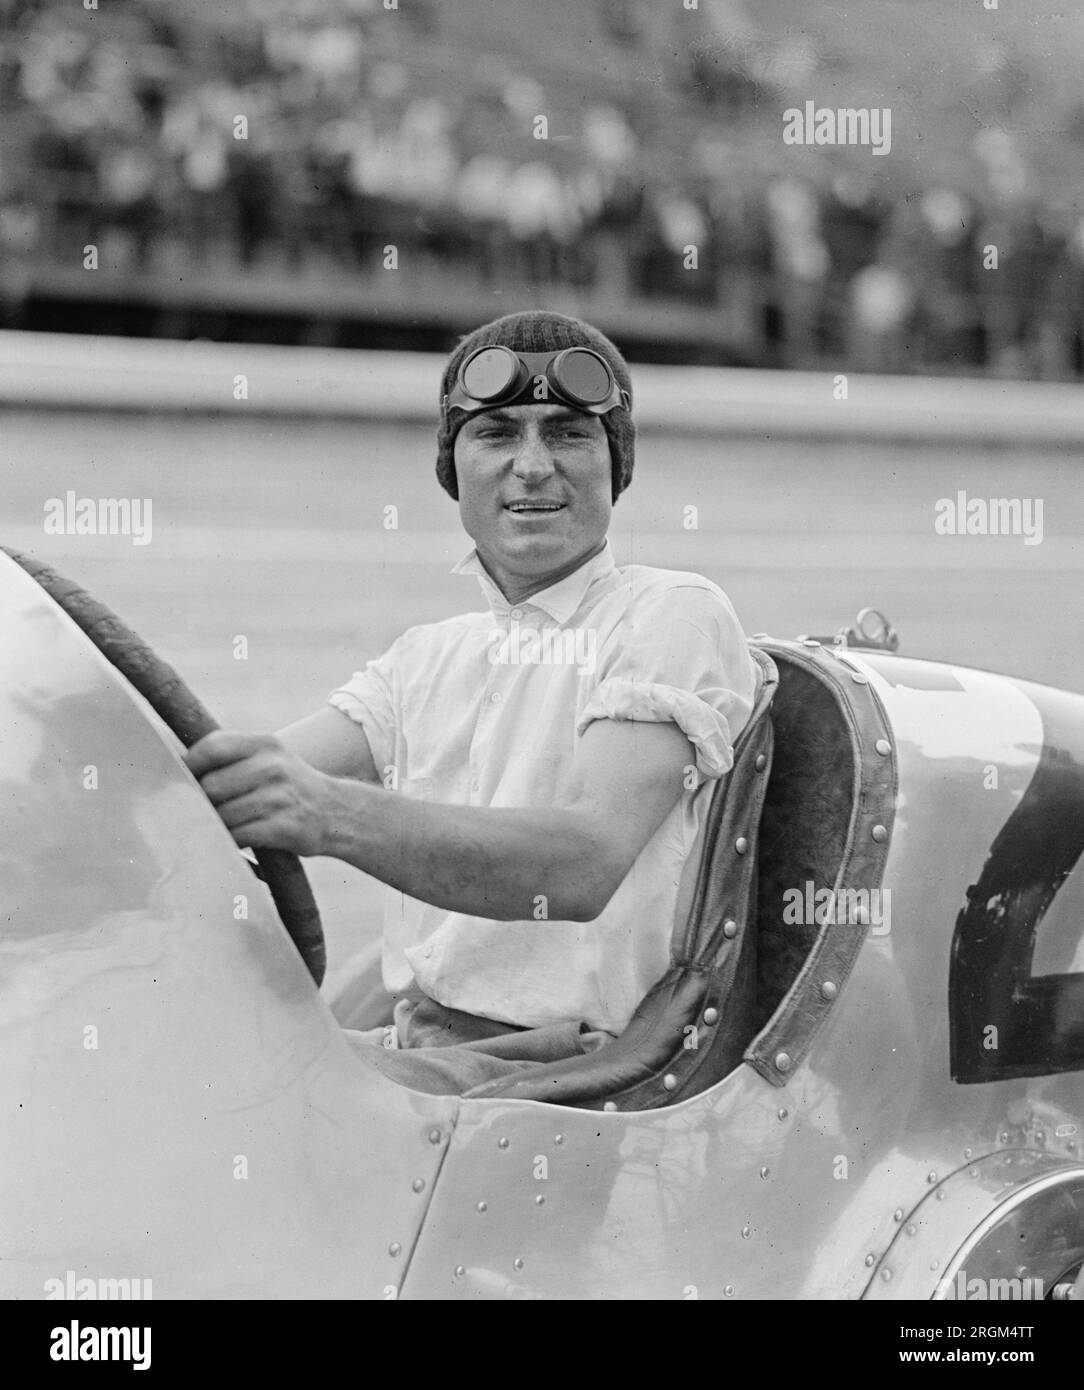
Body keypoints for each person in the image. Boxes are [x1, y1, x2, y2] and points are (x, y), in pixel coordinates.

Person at [184, 310, 758, 1095]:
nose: (531, 466)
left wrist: (325, 815)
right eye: (496, 434)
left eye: (567, 433)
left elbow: (583, 864)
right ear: (454, 468)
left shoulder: (673, 614)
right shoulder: (427, 657)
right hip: (426, 1048)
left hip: (572, 1071)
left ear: (614, 465)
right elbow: (218, 793)